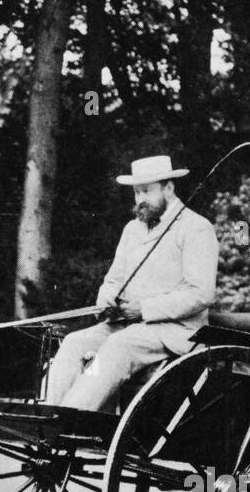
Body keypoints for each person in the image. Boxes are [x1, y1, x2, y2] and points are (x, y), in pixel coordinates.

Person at [46, 155, 219, 412]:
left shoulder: (196, 228)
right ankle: (48, 416)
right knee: (74, 343)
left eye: (147, 191)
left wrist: (144, 309)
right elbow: (113, 280)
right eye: (136, 192)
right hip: (126, 324)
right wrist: (107, 300)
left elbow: (201, 293)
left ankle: (68, 421)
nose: (140, 200)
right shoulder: (132, 230)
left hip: (173, 331)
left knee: (118, 346)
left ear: (169, 188)